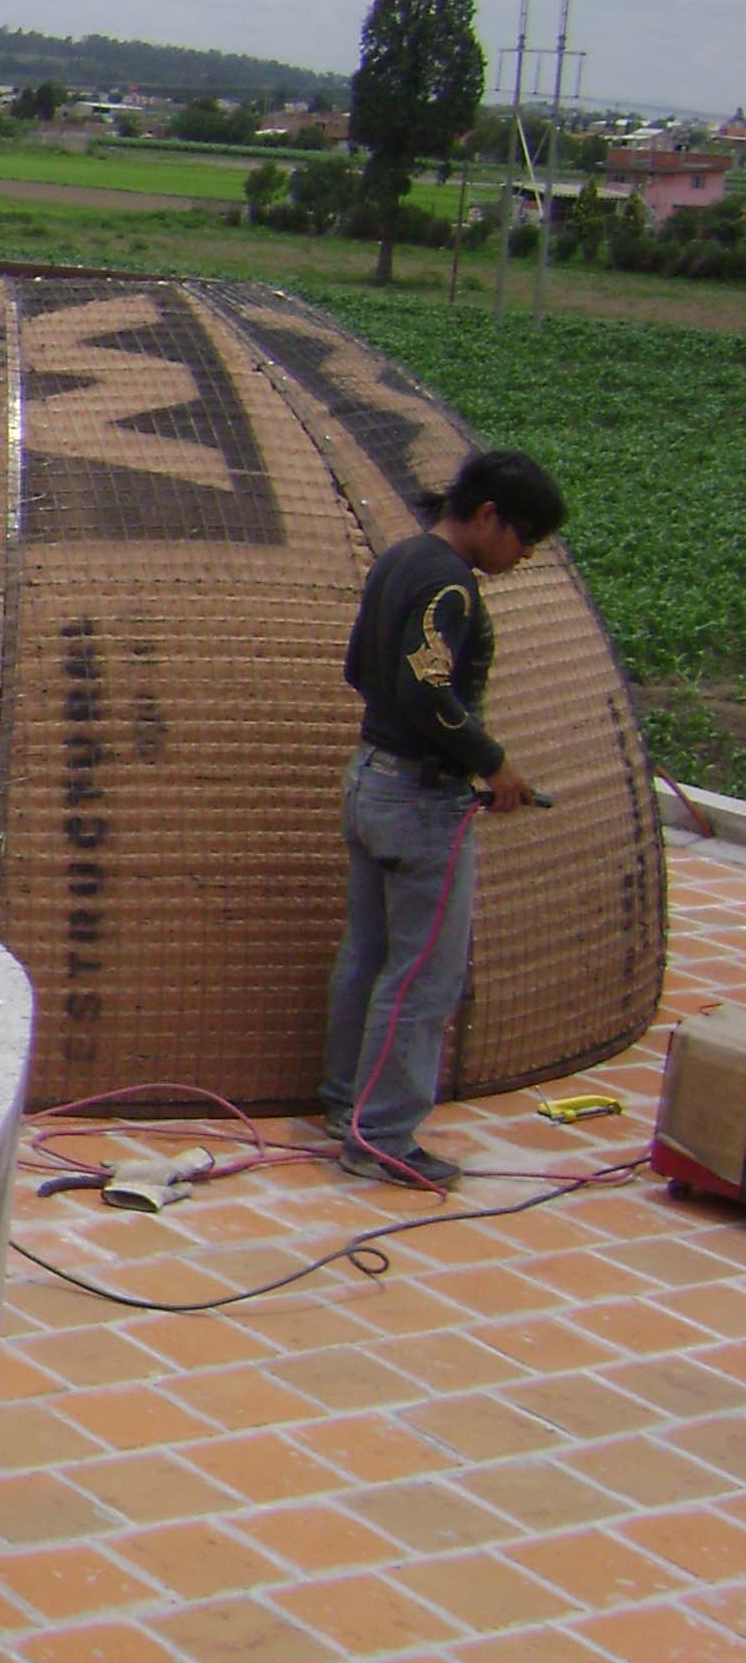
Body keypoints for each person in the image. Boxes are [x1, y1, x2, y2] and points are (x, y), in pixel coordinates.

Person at [319, 449, 566, 1189]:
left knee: (367, 955)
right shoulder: (450, 587)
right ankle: (383, 1135)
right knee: (425, 975)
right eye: (525, 539)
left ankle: (345, 1106)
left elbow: (360, 669)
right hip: (418, 803)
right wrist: (491, 763)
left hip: (369, 779)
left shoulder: (399, 559)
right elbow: (429, 689)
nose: (525, 556)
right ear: (488, 516)